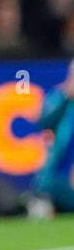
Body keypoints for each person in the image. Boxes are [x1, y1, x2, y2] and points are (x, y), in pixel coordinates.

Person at [31, 59, 74, 214]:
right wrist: (66, 98)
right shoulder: (58, 97)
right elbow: (45, 122)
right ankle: (42, 201)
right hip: (56, 175)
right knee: (50, 187)